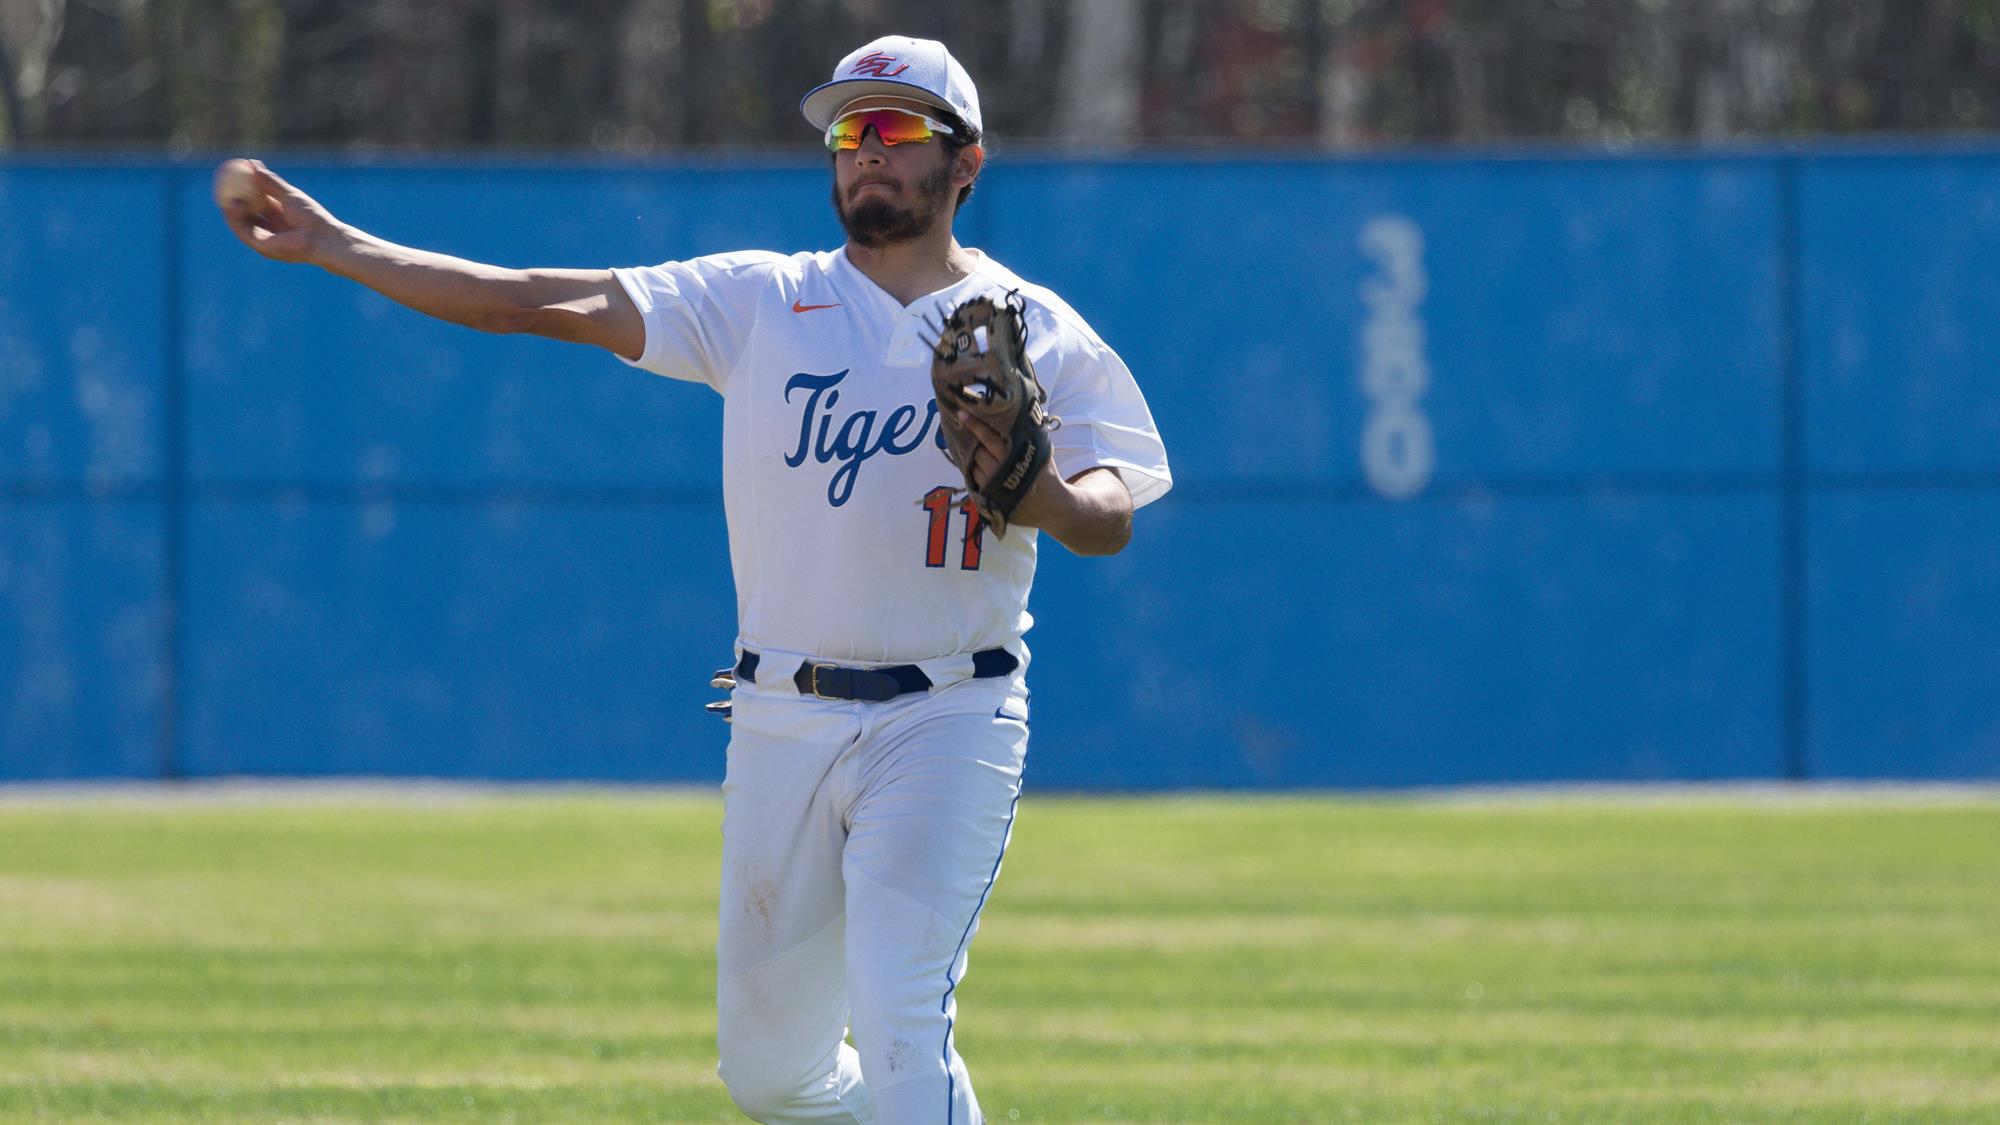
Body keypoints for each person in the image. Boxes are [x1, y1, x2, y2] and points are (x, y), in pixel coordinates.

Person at [218, 34, 1170, 1125]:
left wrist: (1042, 492)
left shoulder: (1030, 325)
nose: (865, 148)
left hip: (949, 711)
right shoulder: (760, 299)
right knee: (772, 1074)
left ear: (966, 163)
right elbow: (529, 299)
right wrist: (337, 245)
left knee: (902, 1016)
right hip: (780, 714)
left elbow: (1109, 515)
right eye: (848, 130)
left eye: (896, 126)